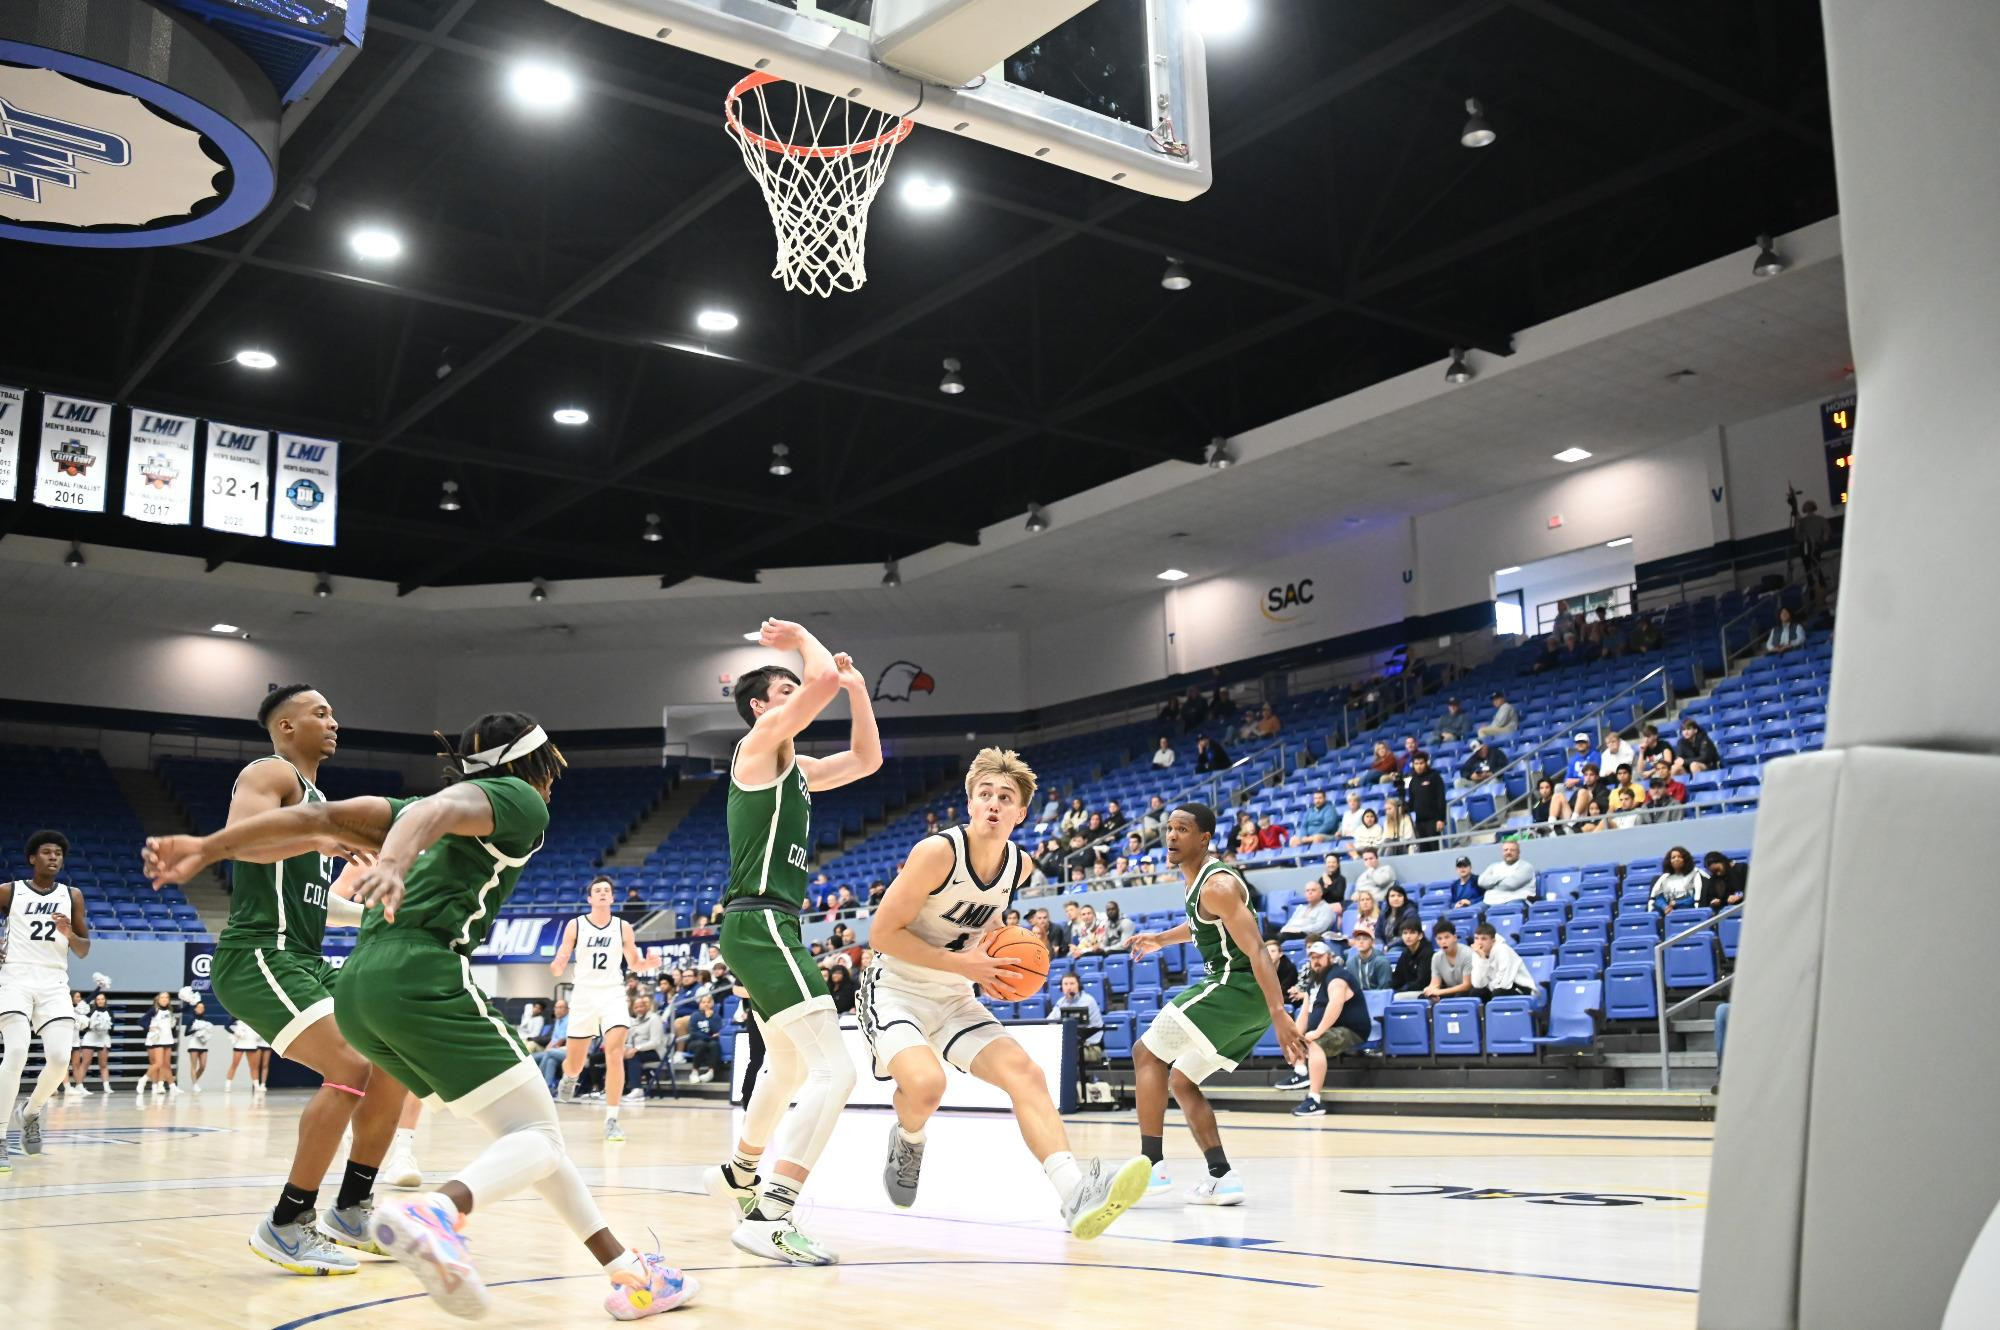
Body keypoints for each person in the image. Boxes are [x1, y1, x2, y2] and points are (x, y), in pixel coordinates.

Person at [144, 711, 698, 1321]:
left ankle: (628, 1270)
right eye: (551, 772)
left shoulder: (415, 808)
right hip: (420, 973)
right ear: (532, 765)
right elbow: (434, 811)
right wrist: (392, 863)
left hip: (361, 984)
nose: (551, 785)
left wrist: (207, 848)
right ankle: (436, 1211)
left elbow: (315, 819)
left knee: (530, 1139)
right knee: (537, 1137)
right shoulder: (517, 798)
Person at [170, 684, 413, 1273]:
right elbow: (243, 845)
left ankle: (351, 1209)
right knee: (349, 1066)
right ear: (286, 726)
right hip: (259, 954)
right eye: (320, 713)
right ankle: (287, 1222)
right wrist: (319, 835)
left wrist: (374, 912)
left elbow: (312, 901)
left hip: (302, 955)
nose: (334, 722)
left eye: (333, 713)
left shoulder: (318, 799)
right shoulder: (269, 772)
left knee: (393, 1059)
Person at [863, 748, 1148, 1236]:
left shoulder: (1019, 864)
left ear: (1020, 813)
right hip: (896, 988)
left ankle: (1075, 1194)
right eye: (985, 794)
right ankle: (908, 1139)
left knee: (1027, 1075)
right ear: (970, 803)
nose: (994, 803)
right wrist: (965, 963)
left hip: (955, 995)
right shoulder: (937, 853)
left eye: (1006, 797)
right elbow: (881, 934)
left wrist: (1006, 958)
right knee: (927, 1087)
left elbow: (986, 917)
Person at [701, 620, 880, 1266]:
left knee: (789, 1069)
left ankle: (740, 1172)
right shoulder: (757, 746)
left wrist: (859, 691)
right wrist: (803, 637)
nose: (799, 693)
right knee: (837, 1071)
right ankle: (771, 1214)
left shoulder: (797, 768)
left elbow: (867, 761)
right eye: (786, 689)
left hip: (768, 924)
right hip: (762, 923)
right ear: (760, 707)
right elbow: (821, 677)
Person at [1129, 803, 1302, 1206]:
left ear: (1204, 838)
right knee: (1181, 1080)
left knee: (1146, 1053)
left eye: (1182, 829)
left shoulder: (1217, 885)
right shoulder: (1197, 882)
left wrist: (1280, 1013)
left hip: (1235, 987)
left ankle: (1151, 1165)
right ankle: (1223, 1177)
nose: (1171, 836)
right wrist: (1160, 939)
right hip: (1247, 999)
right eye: (1169, 828)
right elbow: (1201, 925)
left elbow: (1258, 949)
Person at [0, 830, 92, 1171]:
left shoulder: (72, 895)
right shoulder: (10, 891)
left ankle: (30, 1111)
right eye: (47, 852)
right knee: (16, 1051)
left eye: (58, 853)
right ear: (32, 858)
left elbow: (84, 949)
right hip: (16, 978)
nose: (54, 857)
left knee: (59, 1059)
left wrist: (69, 933)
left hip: (54, 982)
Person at [551, 875, 659, 1142]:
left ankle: (612, 1119)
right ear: (590, 898)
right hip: (584, 995)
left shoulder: (623, 927)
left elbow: (634, 963)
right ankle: (570, 1076)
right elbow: (562, 955)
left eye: (606, 890)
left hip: (613, 993)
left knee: (615, 1053)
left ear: (612, 897)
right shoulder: (576, 925)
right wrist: (558, 964)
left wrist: (647, 964)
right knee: (575, 1063)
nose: (602, 893)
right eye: (597, 890)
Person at [1279, 942, 1370, 1117]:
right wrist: (1294, 1038)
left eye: (1319, 957)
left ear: (1330, 957)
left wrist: (1318, 1032)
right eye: (1312, 958)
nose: (1316, 961)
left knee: (1316, 1044)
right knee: (1297, 1039)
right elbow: (1304, 1013)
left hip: (1351, 1030)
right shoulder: (1313, 982)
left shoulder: (1338, 977)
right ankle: (1301, 1073)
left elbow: (1335, 1004)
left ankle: (1314, 1100)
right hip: (1329, 1029)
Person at [1467, 922, 1538, 1001]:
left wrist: (1489, 986)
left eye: (1484, 939)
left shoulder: (1503, 950)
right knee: (1476, 993)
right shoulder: (1477, 954)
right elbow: (1478, 984)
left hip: (1520, 987)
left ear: (1493, 941)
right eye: (1476, 938)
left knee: (1498, 993)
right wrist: (1482, 959)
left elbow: (1505, 983)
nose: (1479, 942)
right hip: (1495, 988)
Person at [1052, 972, 1106, 1058]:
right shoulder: (1060, 1002)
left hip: (1090, 1046)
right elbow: (1050, 1021)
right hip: (1068, 1046)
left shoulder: (1088, 1001)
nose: (1069, 987)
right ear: (1061, 987)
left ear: (1079, 985)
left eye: (1072, 983)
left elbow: (1090, 1029)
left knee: (1066, 1056)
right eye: (1065, 984)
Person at [1422, 920, 1477, 1001]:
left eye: (1447, 937)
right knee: (1423, 997)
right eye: (1439, 938)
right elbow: (1435, 984)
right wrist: (1430, 990)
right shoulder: (1436, 957)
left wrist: (1440, 992)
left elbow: (1467, 985)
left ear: (1454, 938)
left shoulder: (1468, 954)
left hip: (1467, 991)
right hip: (1450, 991)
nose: (1443, 941)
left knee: (1460, 995)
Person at [1403, 752, 1448, 850]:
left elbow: (1441, 798)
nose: (1419, 766)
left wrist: (1441, 819)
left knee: (1435, 849)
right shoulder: (1413, 781)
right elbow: (1412, 802)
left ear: (1426, 763)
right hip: (1419, 822)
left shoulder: (1435, 776)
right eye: (1416, 764)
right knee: (1423, 850)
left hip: (1433, 820)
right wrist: (1403, 807)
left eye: (1421, 763)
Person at [623, 996, 666, 1095]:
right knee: (620, 1057)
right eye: (636, 1007)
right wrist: (625, 1049)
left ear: (646, 1006)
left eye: (641, 1006)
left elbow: (655, 1042)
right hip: (639, 1051)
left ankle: (637, 1089)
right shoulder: (635, 1022)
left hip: (656, 1052)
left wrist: (636, 1049)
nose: (639, 1009)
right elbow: (630, 1041)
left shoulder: (654, 1019)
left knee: (633, 1056)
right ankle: (618, 1089)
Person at [683, 993, 728, 1084]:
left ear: (712, 1004)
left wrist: (710, 1018)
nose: (706, 1004)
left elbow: (716, 1030)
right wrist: (709, 1037)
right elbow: (694, 1033)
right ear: (700, 1004)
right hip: (694, 1042)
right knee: (701, 1044)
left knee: (715, 1045)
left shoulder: (716, 1016)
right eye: (703, 1002)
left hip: (710, 1042)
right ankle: (694, 1072)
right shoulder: (695, 1015)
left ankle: (711, 1072)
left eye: (708, 1002)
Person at [1476, 841, 1538, 906]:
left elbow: (1512, 884)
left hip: (1515, 900)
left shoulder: (1526, 867)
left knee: (1508, 909)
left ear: (1518, 852)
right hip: (1489, 902)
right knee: (1471, 910)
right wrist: (1502, 878)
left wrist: (1490, 885)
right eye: (1506, 850)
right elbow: (1481, 882)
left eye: (1512, 850)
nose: (1508, 852)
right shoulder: (1493, 866)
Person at [1650, 847, 1708, 914]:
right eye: (1673, 857)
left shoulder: (1695, 874)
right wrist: (1665, 907)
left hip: (1689, 911)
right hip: (1668, 912)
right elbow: (1659, 898)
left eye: (1679, 857)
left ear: (1685, 859)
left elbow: (1697, 896)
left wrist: (1676, 903)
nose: (1676, 859)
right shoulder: (1664, 878)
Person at [142, 991, 178, 1097]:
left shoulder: (170, 1011)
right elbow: (141, 1021)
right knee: (156, 1063)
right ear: (158, 999)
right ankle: (153, 1084)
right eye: (162, 997)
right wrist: (150, 1028)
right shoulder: (154, 1010)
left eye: (167, 997)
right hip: (154, 1040)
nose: (164, 999)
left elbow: (172, 1023)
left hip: (166, 1039)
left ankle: (162, 1085)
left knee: (164, 1064)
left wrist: (190, 1000)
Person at [1388, 920, 1434, 996]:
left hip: (1426, 992)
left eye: (1412, 933)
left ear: (1420, 936)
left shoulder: (1427, 953)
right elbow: (1397, 979)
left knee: (1398, 997)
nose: (1408, 936)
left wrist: (1404, 989)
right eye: (1405, 933)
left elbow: (1422, 982)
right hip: (1411, 990)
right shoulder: (1405, 954)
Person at [534, 1001, 571, 1089]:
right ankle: (548, 1088)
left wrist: (549, 1049)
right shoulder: (558, 1021)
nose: (557, 1010)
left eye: (560, 1007)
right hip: (556, 1050)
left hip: (566, 1051)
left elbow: (561, 1040)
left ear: (567, 1009)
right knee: (549, 1060)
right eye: (556, 1007)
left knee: (548, 1053)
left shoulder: (569, 1020)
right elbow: (553, 1039)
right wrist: (547, 1048)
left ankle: (538, 1082)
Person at [184, 1000, 215, 1092]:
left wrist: (206, 1034)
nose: (201, 1009)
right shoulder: (192, 1019)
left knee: (202, 1066)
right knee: (194, 1065)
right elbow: (186, 1033)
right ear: (195, 1009)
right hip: (194, 1044)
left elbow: (208, 1031)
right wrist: (196, 1030)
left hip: (203, 1045)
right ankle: (195, 1084)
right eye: (199, 1007)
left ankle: (194, 1081)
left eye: (202, 1007)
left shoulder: (205, 1020)